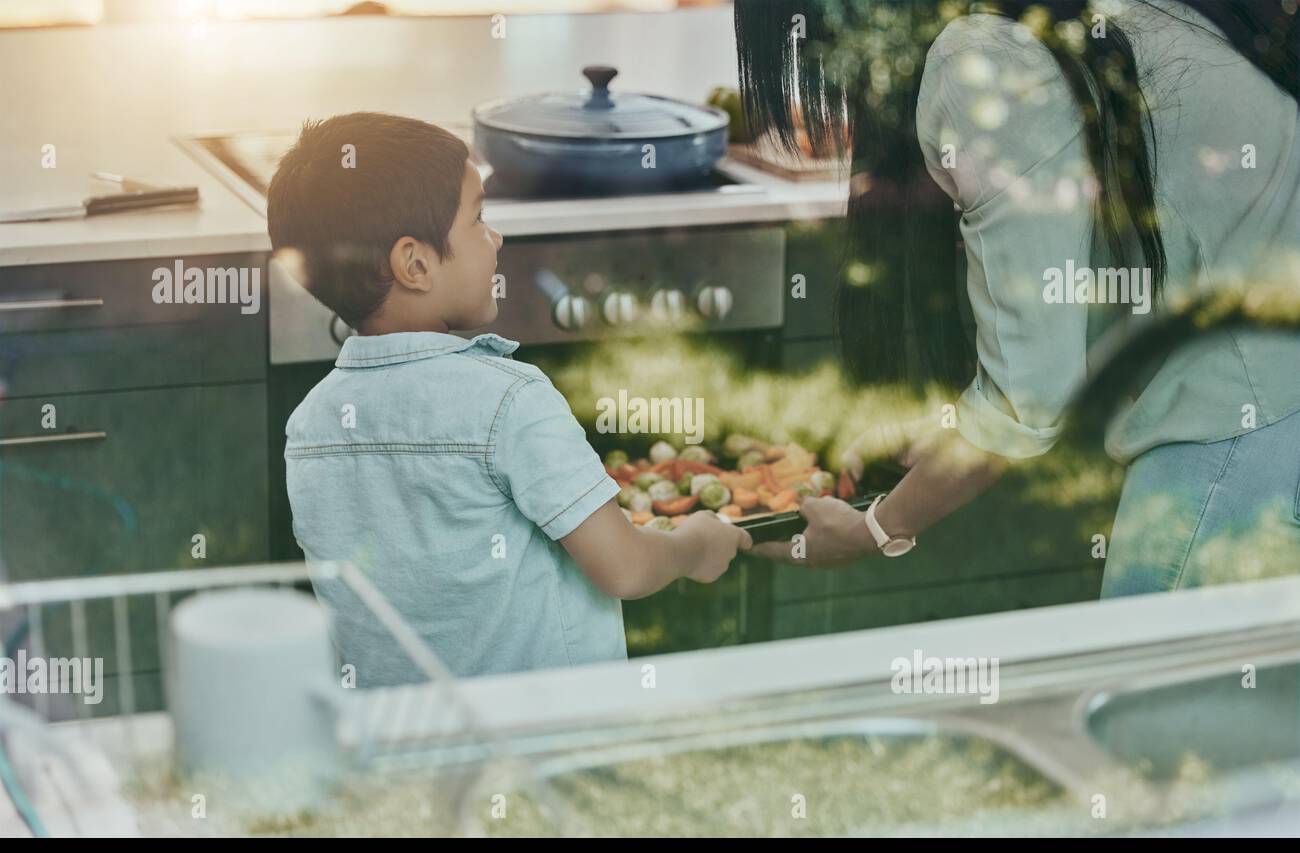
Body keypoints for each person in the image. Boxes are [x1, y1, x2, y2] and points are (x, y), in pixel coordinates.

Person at [736, 0, 1300, 593]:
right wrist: (956, 426)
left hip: (1246, 436)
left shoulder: (984, 55)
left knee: (1156, 682)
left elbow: (1029, 400)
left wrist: (877, 528)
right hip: (1273, 415)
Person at [269, 113, 750, 682]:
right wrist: (695, 546)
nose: (495, 238)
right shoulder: (511, 402)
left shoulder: (309, 429)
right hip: (544, 746)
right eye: (477, 218)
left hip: (399, 746)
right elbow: (624, 567)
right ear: (414, 264)